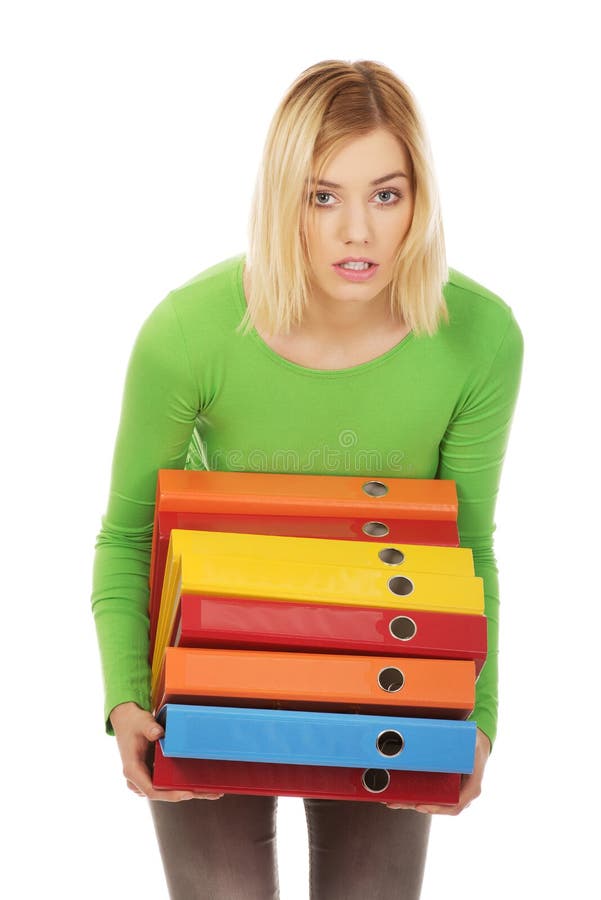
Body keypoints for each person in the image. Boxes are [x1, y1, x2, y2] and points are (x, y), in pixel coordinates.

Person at [91, 58, 524, 899]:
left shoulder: (480, 338)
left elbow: (467, 546)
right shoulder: (189, 332)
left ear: (418, 200)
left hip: (386, 655)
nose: (355, 231)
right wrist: (125, 701)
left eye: (385, 194)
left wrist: (481, 720)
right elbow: (128, 536)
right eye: (321, 196)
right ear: (281, 199)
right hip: (214, 663)